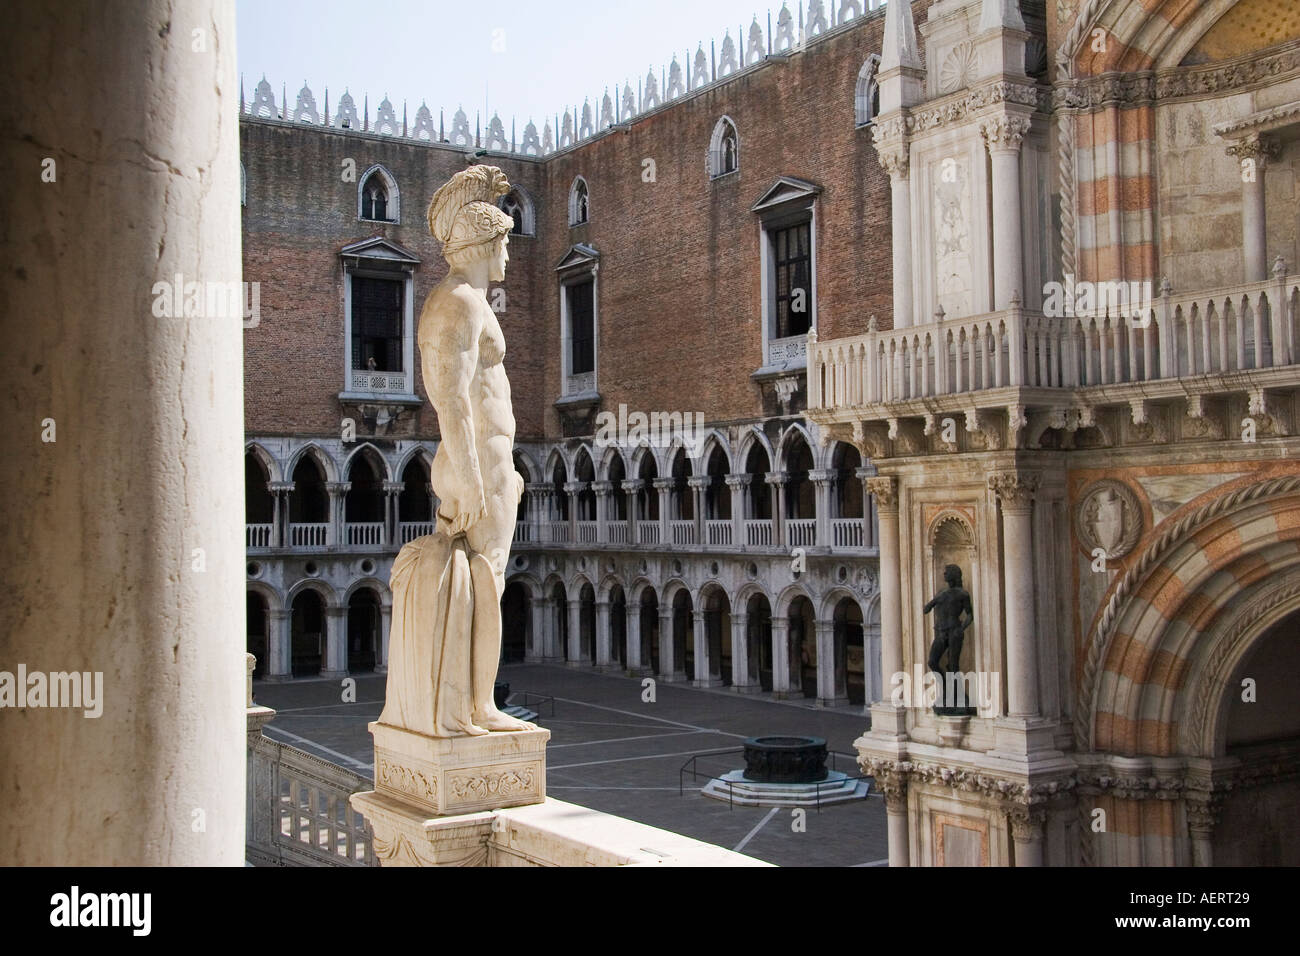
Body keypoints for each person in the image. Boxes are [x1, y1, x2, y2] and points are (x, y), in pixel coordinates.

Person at [379, 166, 534, 737]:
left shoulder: (467, 300)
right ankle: (478, 706)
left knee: (482, 581)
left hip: (489, 466)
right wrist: (472, 478)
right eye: (505, 245)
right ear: (483, 243)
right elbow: (451, 398)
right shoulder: (459, 303)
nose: (510, 258)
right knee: (486, 583)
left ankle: (471, 702)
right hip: (476, 467)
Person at [923, 564, 973, 709]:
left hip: (954, 631)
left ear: (954, 575)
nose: (944, 574)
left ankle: (958, 697)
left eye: (947, 572)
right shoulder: (942, 593)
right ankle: (946, 688)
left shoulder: (962, 594)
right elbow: (926, 608)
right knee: (932, 662)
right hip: (941, 632)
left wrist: (962, 628)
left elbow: (970, 614)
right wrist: (934, 602)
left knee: (953, 665)